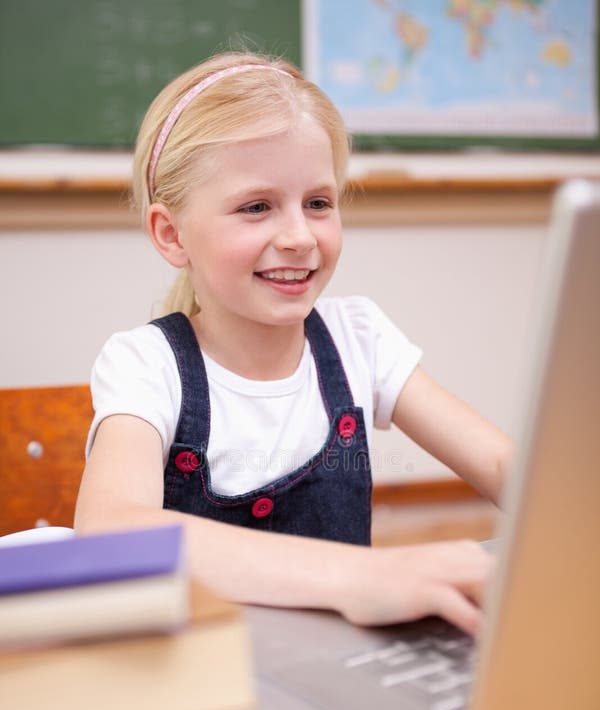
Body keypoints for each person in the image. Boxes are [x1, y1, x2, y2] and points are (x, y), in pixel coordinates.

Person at [75, 50, 513, 636]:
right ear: (171, 234)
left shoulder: (360, 337)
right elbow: (109, 531)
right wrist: (357, 577)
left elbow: (506, 466)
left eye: (318, 203)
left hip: (347, 666)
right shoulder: (146, 365)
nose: (299, 237)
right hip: (207, 674)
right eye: (256, 207)